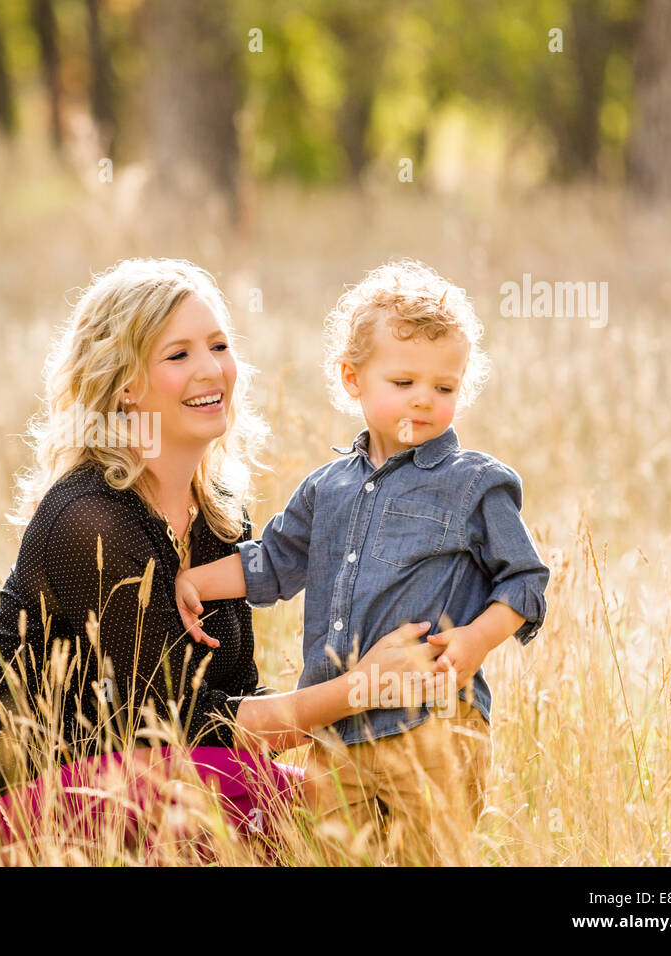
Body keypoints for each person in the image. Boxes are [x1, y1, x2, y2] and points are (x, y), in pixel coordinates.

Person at [0, 257, 442, 864]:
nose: (211, 369)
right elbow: (182, 726)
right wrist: (358, 688)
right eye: (178, 355)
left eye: (219, 345)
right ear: (124, 384)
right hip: (3, 818)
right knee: (205, 789)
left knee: (360, 815)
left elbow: (232, 704)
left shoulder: (220, 516)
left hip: (160, 784)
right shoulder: (90, 519)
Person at [176, 259, 550, 865]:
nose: (424, 401)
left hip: (429, 724)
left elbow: (526, 580)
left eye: (444, 388)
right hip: (336, 734)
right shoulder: (327, 489)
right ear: (353, 379)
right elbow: (272, 563)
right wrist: (195, 579)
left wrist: (479, 640)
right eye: (403, 383)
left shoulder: (475, 484)